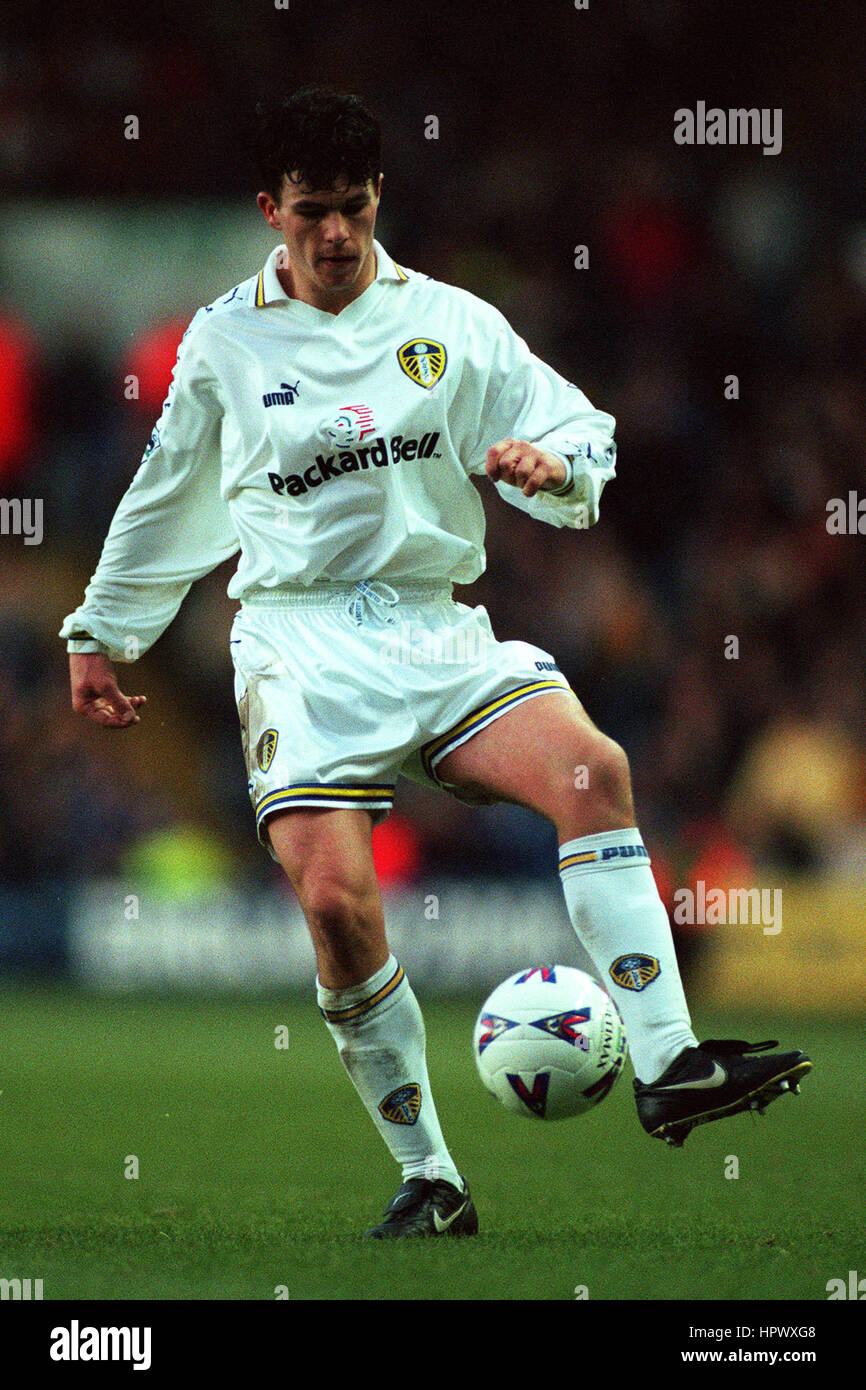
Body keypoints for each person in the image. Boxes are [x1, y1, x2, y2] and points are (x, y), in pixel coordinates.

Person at [61, 85, 811, 1240]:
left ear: (378, 197)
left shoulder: (451, 324)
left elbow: (577, 426)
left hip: (431, 625)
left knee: (594, 771)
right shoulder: (222, 342)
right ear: (269, 209)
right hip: (299, 640)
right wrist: (99, 631)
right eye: (310, 210)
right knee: (334, 904)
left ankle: (668, 1062)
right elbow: (169, 494)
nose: (335, 234)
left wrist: (554, 469)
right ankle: (430, 1177)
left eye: (353, 207)